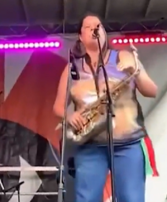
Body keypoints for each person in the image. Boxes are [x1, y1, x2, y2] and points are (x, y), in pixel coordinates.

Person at [51, 14, 159, 202]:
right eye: (89, 27)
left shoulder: (123, 56)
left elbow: (152, 91)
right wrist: (69, 116)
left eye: (98, 26)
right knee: (87, 199)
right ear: (80, 36)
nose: (95, 29)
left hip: (128, 142)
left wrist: (136, 71)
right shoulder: (72, 68)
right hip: (90, 145)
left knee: (132, 198)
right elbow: (58, 107)